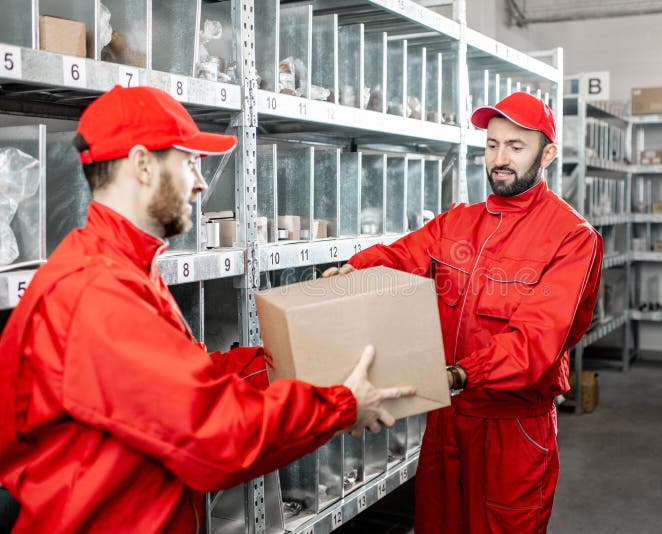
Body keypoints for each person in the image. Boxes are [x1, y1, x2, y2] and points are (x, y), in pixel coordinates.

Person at [0, 85, 414, 533]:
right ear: (142, 165)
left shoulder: (125, 269)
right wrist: (341, 405)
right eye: (190, 163)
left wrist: (291, 359)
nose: (200, 183)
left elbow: (186, 382)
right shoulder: (97, 291)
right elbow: (214, 435)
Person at [324, 92, 603, 533]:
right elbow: (405, 254)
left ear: (547, 154)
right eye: (492, 145)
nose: (500, 158)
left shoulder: (571, 238)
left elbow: (536, 343)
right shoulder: (459, 222)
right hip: (447, 419)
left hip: (510, 429)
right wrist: (352, 270)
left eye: (516, 146)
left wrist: (460, 374)